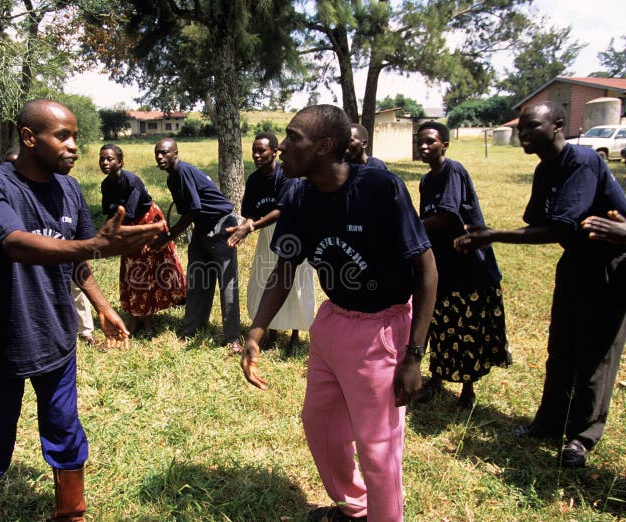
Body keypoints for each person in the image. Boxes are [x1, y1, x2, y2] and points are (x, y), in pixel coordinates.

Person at [0, 99, 164, 521]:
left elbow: (77, 262)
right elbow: (13, 243)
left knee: (65, 430)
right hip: (0, 343)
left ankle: (71, 513)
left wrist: (102, 306)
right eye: (63, 136)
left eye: (76, 136)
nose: (74, 146)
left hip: (56, 337)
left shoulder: (69, 188)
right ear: (30, 138)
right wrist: (94, 245)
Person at [242, 105, 437, 521]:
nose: (282, 146)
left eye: (293, 137)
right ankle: (355, 508)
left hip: (381, 330)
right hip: (332, 323)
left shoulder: (380, 187)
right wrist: (256, 332)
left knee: (378, 448)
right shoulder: (297, 194)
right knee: (320, 426)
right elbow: (285, 268)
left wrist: (413, 355)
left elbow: (426, 270)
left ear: (325, 147)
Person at [455, 101, 626, 468]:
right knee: (561, 347)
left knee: (595, 355)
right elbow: (538, 218)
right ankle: (549, 422)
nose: (523, 135)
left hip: (610, 266)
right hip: (577, 262)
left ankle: (582, 436)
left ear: (558, 125)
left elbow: (561, 226)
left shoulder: (582, 162)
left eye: (531, 127)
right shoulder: (545, 169)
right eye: (520, 130)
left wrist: (494, 234)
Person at [415, 121, 510, 409]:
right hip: (444, 262)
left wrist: (410, 227)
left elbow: (446, 215)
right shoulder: (427, 180)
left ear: (445, 144)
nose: (424, 146)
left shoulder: (451, 170)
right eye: (420, 142)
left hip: (469, 264)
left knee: (467, 325)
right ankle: (436, 378)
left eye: (430, 141)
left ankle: (468, 390)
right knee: (440, 322)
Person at [226, 132, 315, 356]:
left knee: (294, 284)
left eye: (261, 151)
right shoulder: (254, 179)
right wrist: (245, 226)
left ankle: (295, 335)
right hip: (266, 233)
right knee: (267, 280)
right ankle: (272, 330)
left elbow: (281, 210)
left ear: (274, 151)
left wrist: (251, 227)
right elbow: (250, 212)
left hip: (292, 233)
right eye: (254, 151)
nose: (256, 155)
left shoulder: (287, 175)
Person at [151, 138, 242, 354]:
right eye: (157, 153)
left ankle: (232, 339)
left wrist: (168, 236)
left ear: (176, 153)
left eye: (164, 152)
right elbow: (191, 213)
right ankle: (191, 329)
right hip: (202, 226)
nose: (160, 157)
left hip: (221, 226)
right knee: (197, 278)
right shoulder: (173, 178)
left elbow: (192, 210)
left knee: (227, 282)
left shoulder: (182, 171)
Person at [3, 144, 96, 345]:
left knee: (76, 292)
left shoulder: (68, 189)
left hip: (66, 266)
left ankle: (85, 331)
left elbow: (83, 242)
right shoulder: (0, 198)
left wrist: (103, 307)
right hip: (27, 283)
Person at [100, 144, 185, 337]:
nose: (105, 162)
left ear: (120, 162)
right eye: (102, 159)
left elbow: (129, 214)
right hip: (127, 225)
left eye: (110, 159)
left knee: (150, 268)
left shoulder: (131, 182)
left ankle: (147, 320)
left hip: (148, 222)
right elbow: (111, 213)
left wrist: (117, 235)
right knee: (131, 269)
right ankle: (136, 315)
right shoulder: (106, 185)